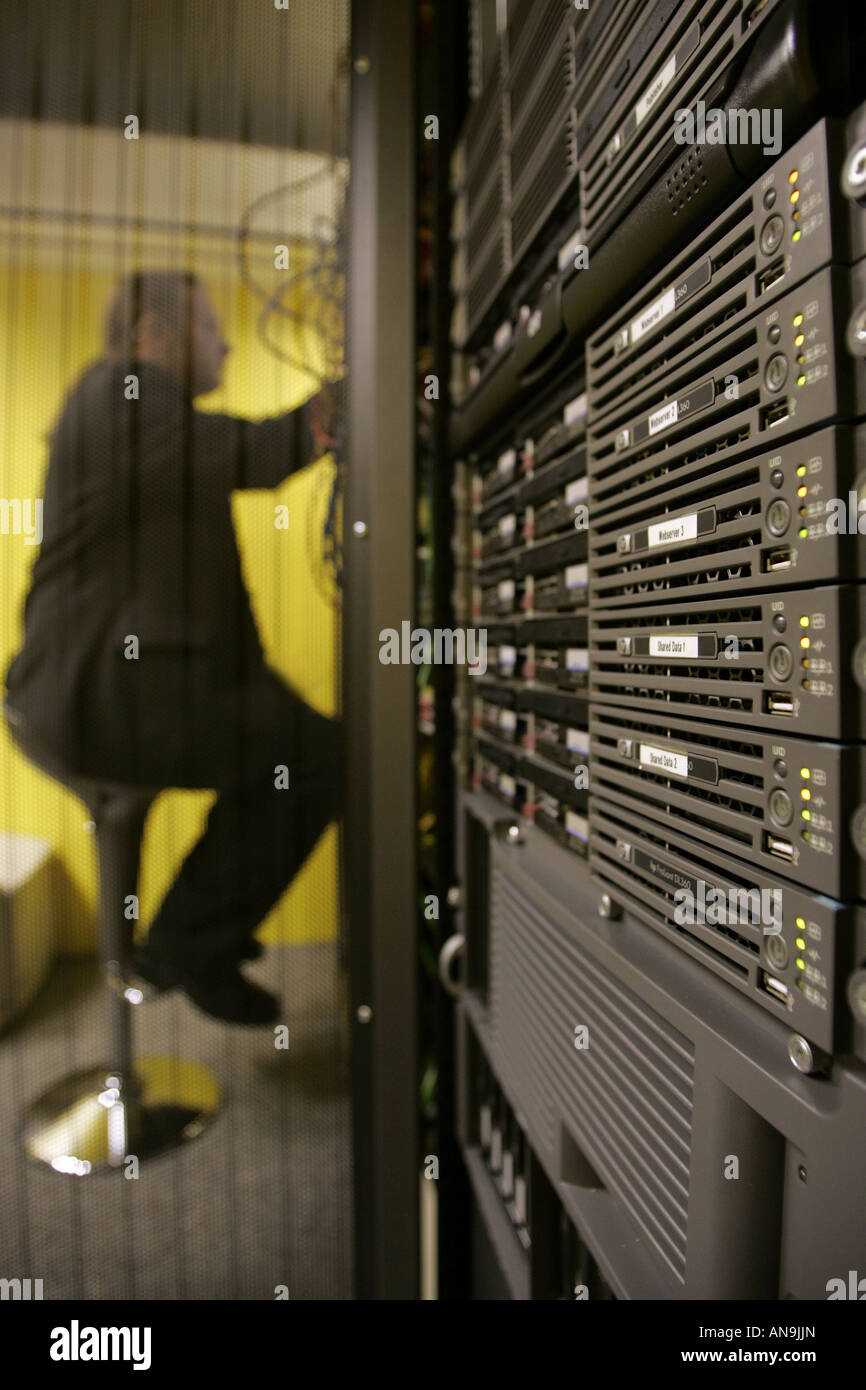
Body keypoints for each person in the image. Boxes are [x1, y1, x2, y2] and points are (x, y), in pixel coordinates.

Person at [4, 270, 344, 1025]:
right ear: (149, 334)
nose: (223, 342)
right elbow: (253, 453)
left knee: (298, 744)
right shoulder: (122, 389)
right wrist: (353, 397)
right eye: (207, 327)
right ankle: (187, 945)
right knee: (318, 757)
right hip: (95, 698)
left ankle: (198, 938)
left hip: (95, 692)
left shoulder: (137, 418)